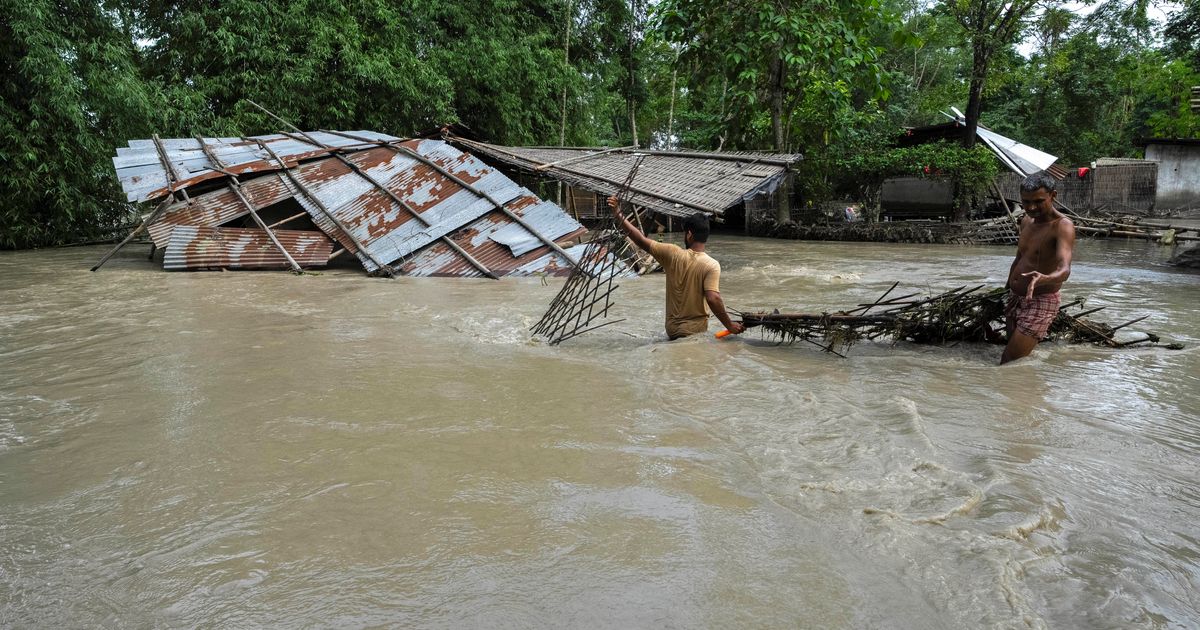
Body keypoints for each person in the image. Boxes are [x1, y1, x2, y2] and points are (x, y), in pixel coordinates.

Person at [608, 197, 745, 340]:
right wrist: (729, 325)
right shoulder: (711, 265)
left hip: (672, 331)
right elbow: (713, 298)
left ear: (689, 234)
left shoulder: (672, 253)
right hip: (695, 332)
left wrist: (617, 213)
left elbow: (640, 240)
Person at [1000, 171, 1076, 364]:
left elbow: (1064, 269)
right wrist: (1006, 288)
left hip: (1040, 301)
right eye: (1026, 202)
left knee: (1008, 360)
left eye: (1039, 201)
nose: (1032, 207)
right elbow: (1019, 258)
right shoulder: (1026, 220)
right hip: (1015, 298)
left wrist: (1045, 278)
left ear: (1053, 196)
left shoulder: (1062, 226)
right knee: (1015, 362)